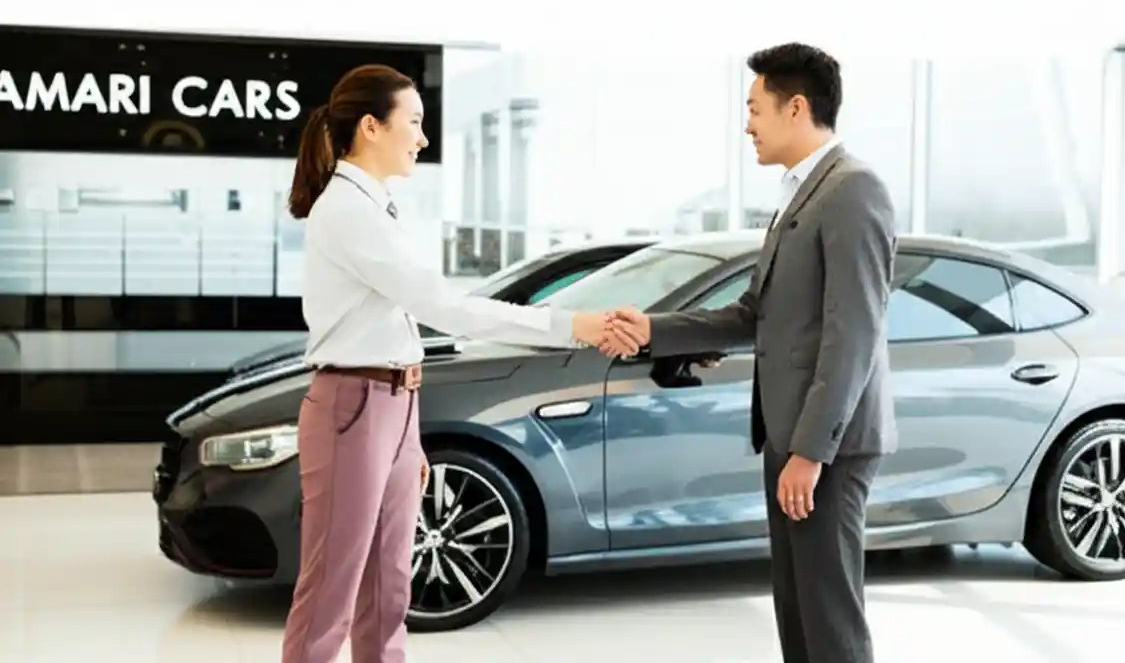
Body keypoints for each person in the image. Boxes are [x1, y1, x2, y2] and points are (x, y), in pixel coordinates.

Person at [280, 63, 626, 663]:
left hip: (392, 403)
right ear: (370, 126)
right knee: (332, 587)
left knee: (390, 585)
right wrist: (569, 326)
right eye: (412, 122)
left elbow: (399, 326)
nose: (422, 137)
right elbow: (443, 308)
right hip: (353, 409)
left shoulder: (377, 206)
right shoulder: (348, 210)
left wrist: (407, 434)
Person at [602, 43, 897, 663]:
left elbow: (855, 335)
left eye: (754, 108)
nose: (747, 125)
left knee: (830, 619)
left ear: (796, 108)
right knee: (797, 613)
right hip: (789, 436)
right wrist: (651, 329)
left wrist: (813, 452)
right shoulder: (801, 194)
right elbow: (753, 314)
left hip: (826, 448)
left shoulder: (853, 190)